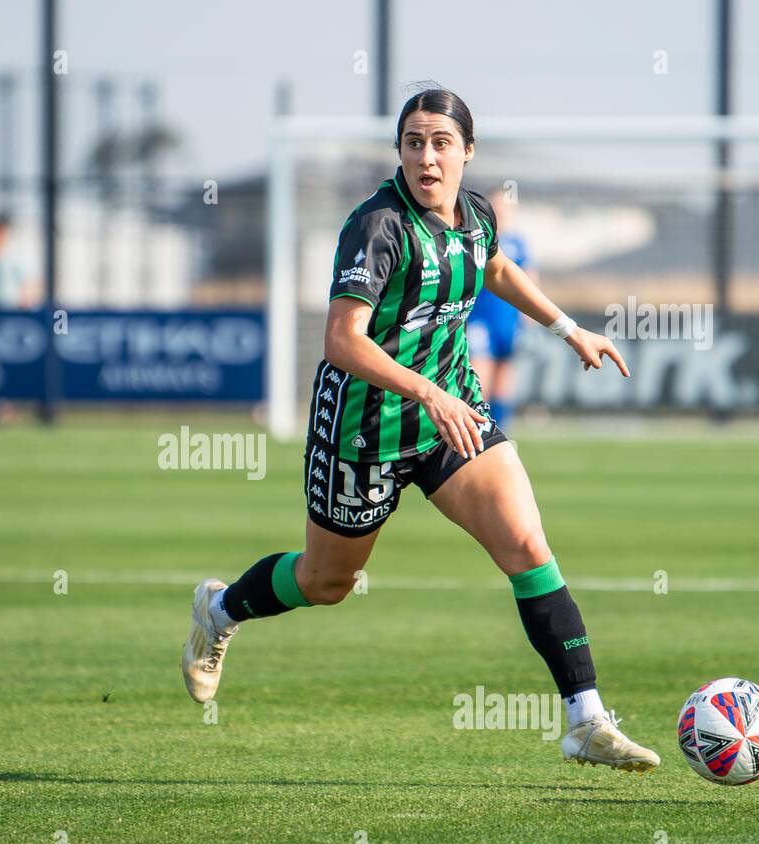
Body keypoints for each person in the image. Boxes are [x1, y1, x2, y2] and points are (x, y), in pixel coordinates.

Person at [181, 86, 660, 773]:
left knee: (526, 544)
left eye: (441, 143)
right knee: (327, 581)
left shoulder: (478, 214)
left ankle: (586, 719)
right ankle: (220, 609)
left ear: (468, 151)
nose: (427, 158)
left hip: (451, 417)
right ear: (400, 151)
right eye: (413, 143)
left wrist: (567, 328)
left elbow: (493, 266)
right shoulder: (377, 226)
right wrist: (425, 391)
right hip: (364, 429)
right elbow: (343, 341)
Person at [467, 187, 530, 428]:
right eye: (497, 206)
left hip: (508, 320)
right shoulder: (478, 238)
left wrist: (528, 318)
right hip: (481, 320)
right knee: (480, 379)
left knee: (504, 377)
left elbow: (529, 278)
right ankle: (476, 430)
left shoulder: (518, 242)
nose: (501, 210)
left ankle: (500, 432)